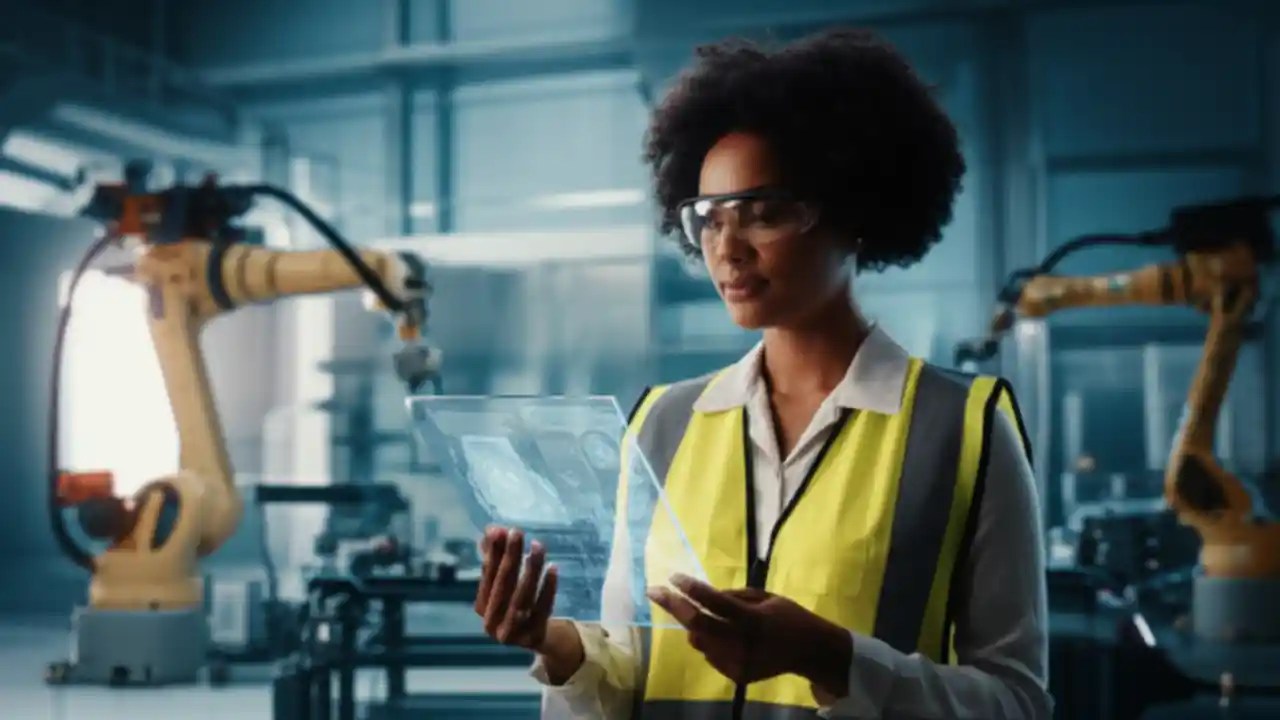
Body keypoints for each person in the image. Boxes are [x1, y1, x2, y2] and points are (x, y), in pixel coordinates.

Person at [473, 27, 1051, 720]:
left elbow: (1017, 703)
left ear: (856, 210)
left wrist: (831, 659)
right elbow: (624, 674)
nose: (728, 250)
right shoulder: (661, 423)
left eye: (765, 214)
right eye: (709, 219)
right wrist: (555, 645)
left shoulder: (965, 430)